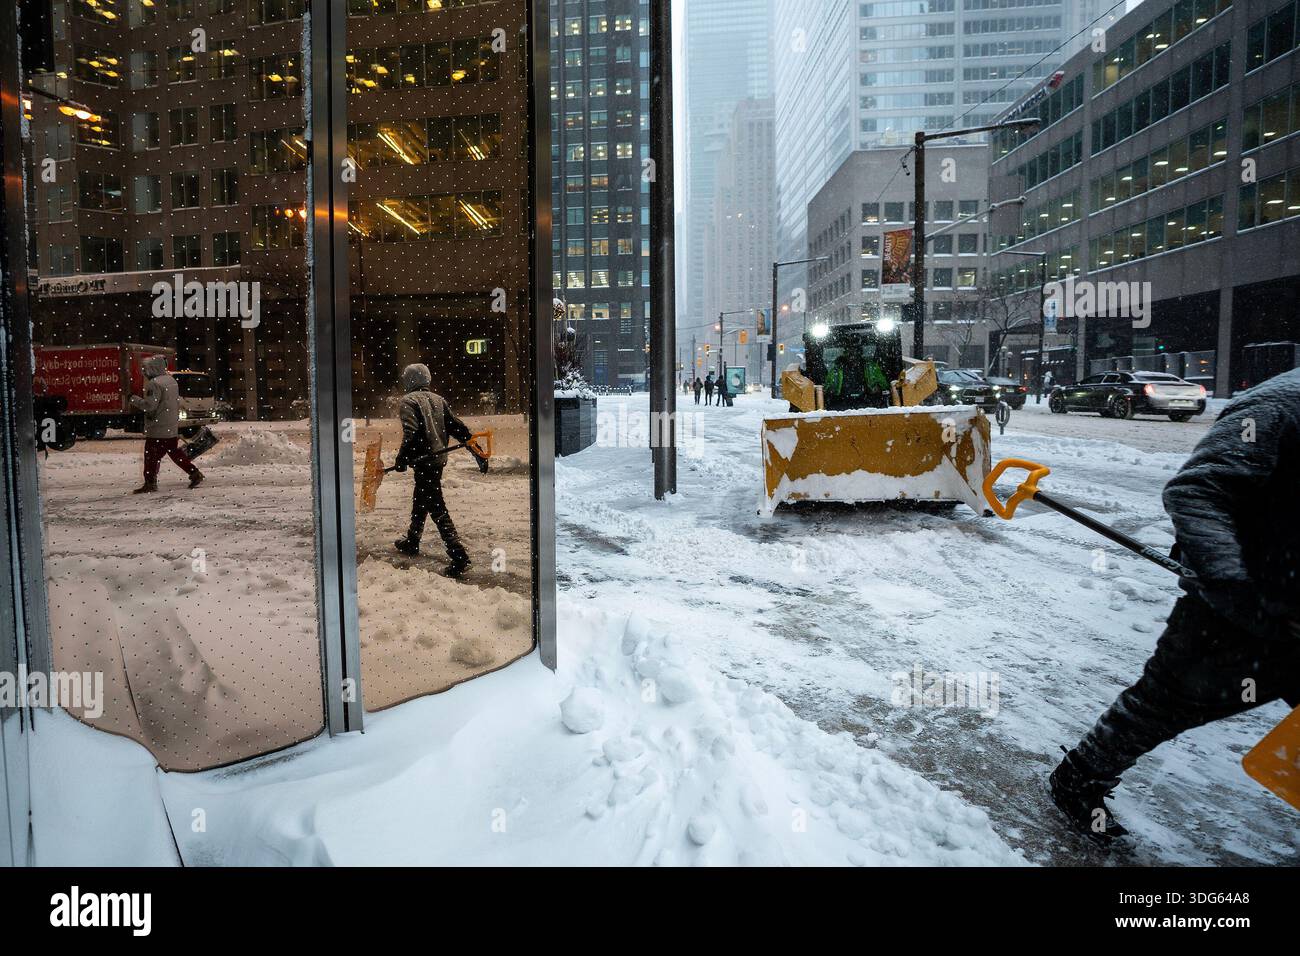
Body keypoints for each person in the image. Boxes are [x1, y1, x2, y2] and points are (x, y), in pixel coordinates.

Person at [1050, 368, 1300, 841]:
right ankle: (1078, 779)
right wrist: (1234, 586)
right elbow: (1197, 491)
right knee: (1165, 704)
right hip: (1237, 608)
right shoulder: (1281, 405)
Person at [392, 363, 473, 578]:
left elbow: (411, 432)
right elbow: (457, 427)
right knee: (422, 498)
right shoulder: (439, 400)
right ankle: (413, 539)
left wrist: (402, 459)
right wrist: (476, 449)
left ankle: (459, 556)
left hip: (424, 461)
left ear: (409, 380)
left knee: (436, 506)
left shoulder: (408, 401)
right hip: (437, 460)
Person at [130, 355, 203, 493]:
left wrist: (133, 399)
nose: (145, 372)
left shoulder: (154, 384)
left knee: (151, 456)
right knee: (174, 453)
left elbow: (150, 406)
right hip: (170, 425)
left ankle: (150, 483)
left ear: (153, 368)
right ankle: (194, 472)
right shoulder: (171, 380)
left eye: (146, 369)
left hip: (157, 427)